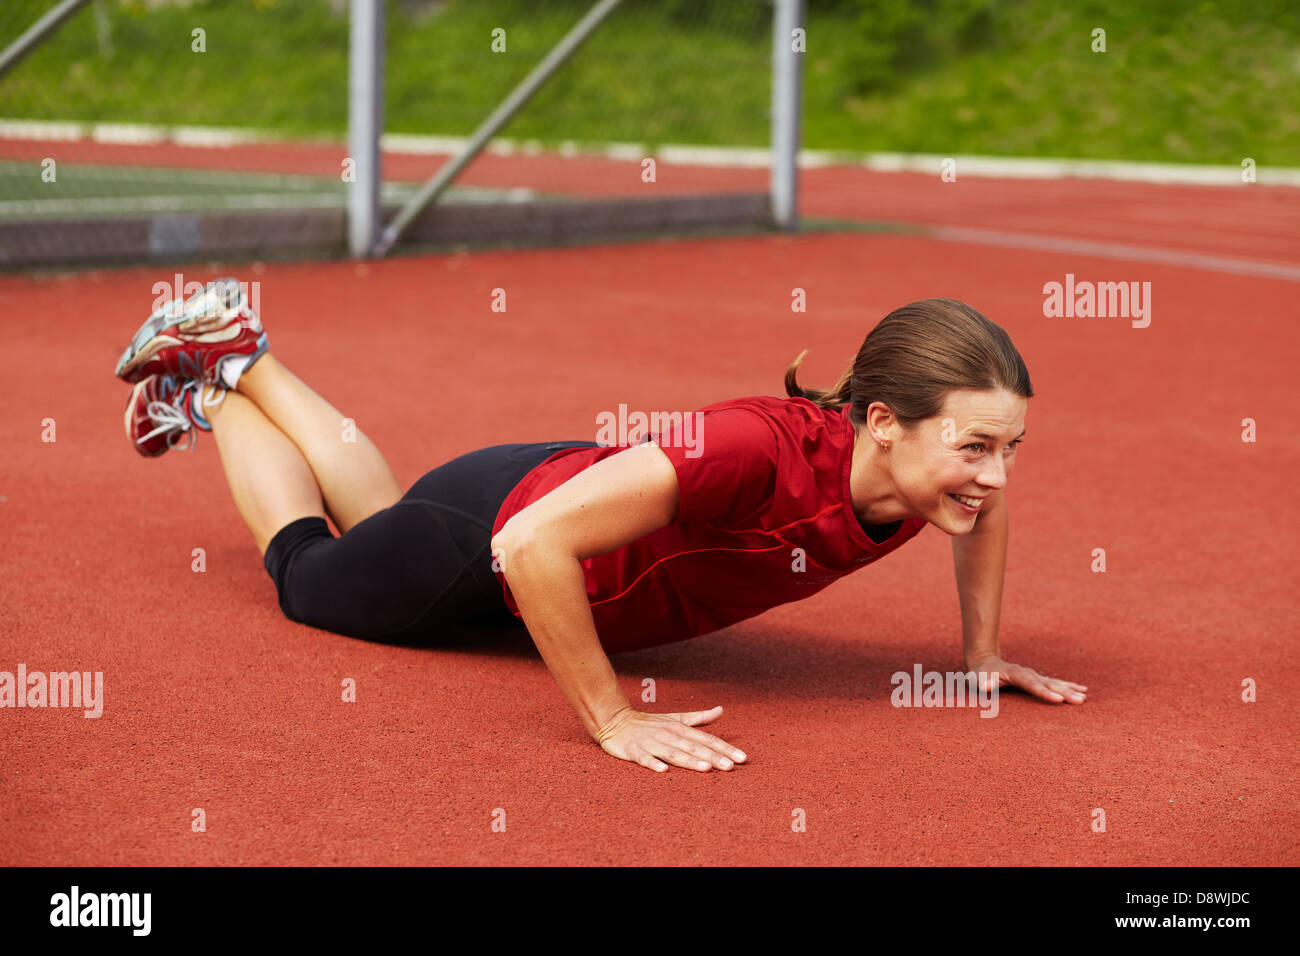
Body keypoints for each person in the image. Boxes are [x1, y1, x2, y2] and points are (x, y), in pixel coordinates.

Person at [116, 279, 1087, 775]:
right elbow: (530, 544)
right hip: (483, 541)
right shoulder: (754, 446)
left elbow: (983, 512)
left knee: (380, 514)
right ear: (883, 420)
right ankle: (227, 379)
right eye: (976, 447)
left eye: (1011, 447)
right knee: (305, 572)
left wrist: (980, 649)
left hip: (530, 489)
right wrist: (611, 717)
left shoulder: (929, 476)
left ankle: (237, 359)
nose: (993, 476)